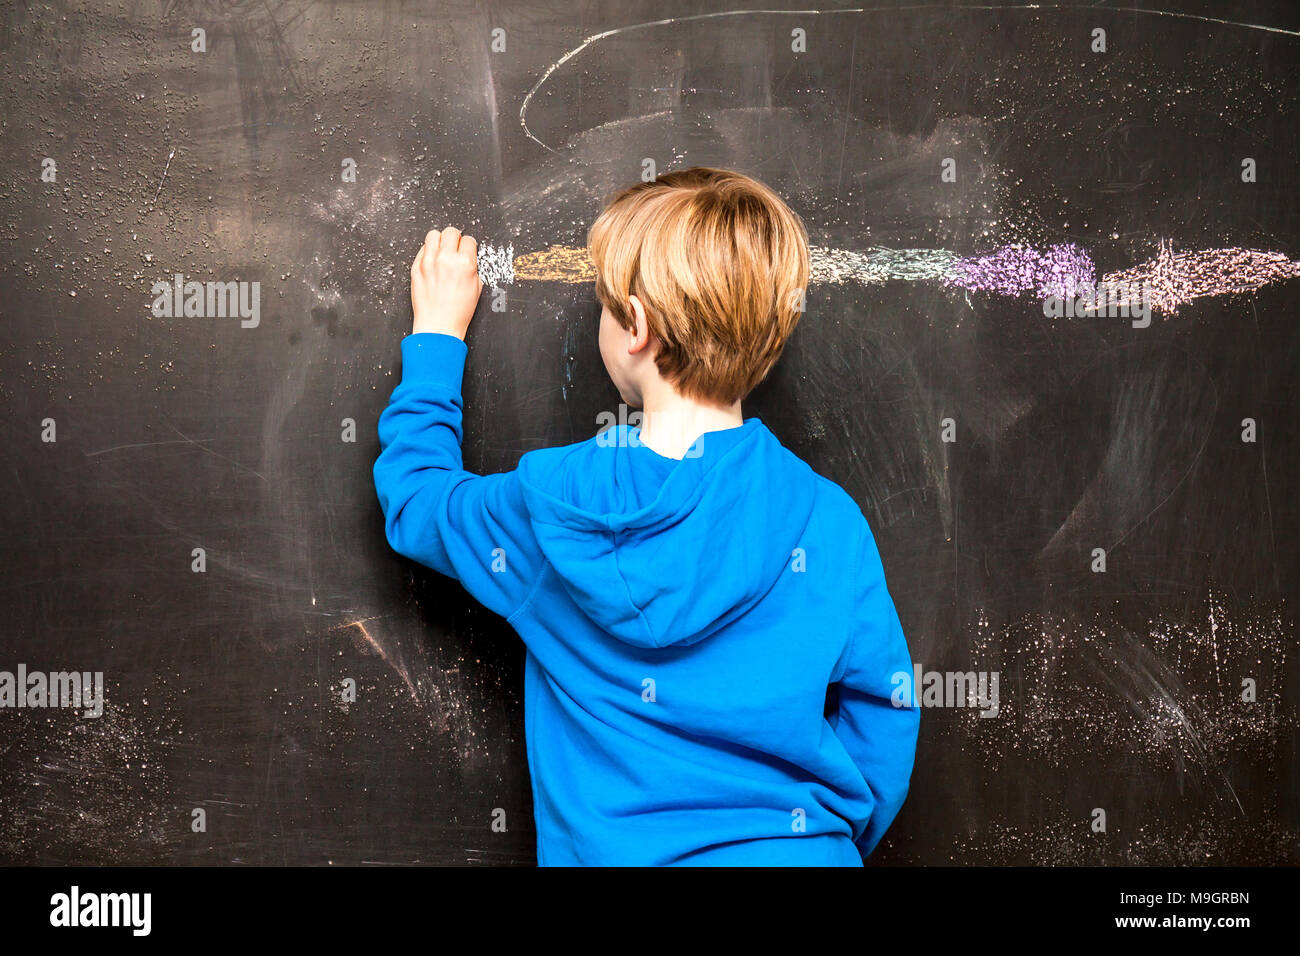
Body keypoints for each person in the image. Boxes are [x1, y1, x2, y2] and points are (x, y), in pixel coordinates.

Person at [374, 167, 920, 866]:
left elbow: (417, 503)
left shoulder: (550, 507)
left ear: (634, 326)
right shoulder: (827, 522)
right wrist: (831, 839)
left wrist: (437, 337)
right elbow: (887, 705)